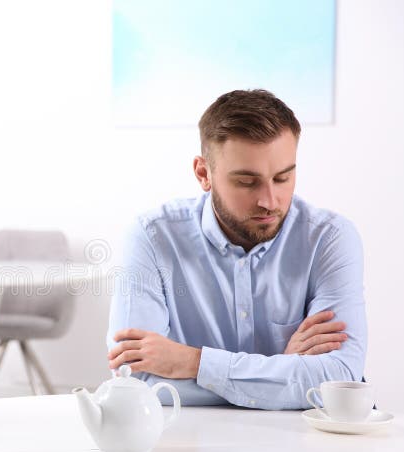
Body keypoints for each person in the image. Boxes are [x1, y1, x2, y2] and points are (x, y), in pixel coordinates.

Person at [106, 89, 367, 410]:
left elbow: (341, 377)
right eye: (247, 182)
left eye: (283, 177)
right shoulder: (151, 237)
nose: (270, 201)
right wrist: (280, 373)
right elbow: (136, 382)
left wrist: (194, 362)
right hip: (189, 445)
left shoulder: (330, 239)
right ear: (204, 173)